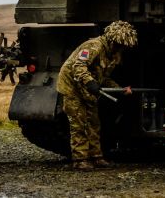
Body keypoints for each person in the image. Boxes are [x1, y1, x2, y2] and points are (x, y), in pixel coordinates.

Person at [57, 20, 137, 170]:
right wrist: (90, 83)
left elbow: (103, 78)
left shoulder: (110, 54)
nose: (122, 49)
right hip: (72, 88)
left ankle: (96, 157)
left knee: (94, 123)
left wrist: (120, 90)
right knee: (79, 124)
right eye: (120, 45)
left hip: (88, 90)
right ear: (113, 41)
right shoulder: (94, 46)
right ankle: (80, 160)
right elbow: (78, 66)